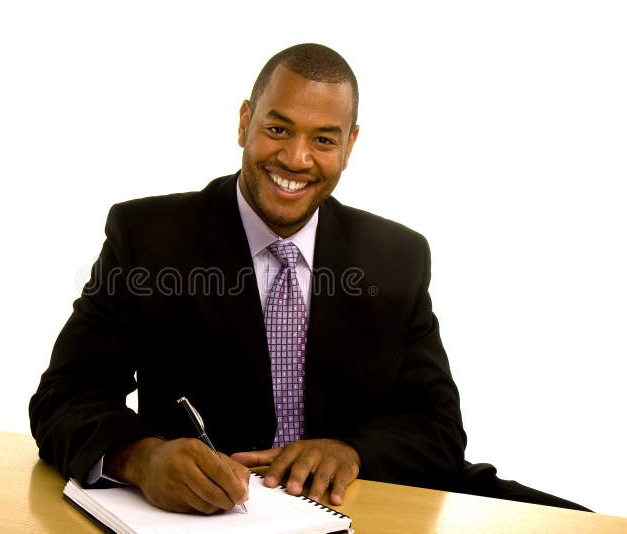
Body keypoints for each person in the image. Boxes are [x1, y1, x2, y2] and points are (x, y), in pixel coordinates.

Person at [29, 43, 588, 514]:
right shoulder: (148, 236)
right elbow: (64, 397)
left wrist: (351, 451)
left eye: (323, 138)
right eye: (278, 128)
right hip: (217, 515)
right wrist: (141, 457)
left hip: (365, 501)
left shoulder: (398, 255)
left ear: (350, 145)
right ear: (245, 121)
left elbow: (436, 426)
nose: (296, 158)